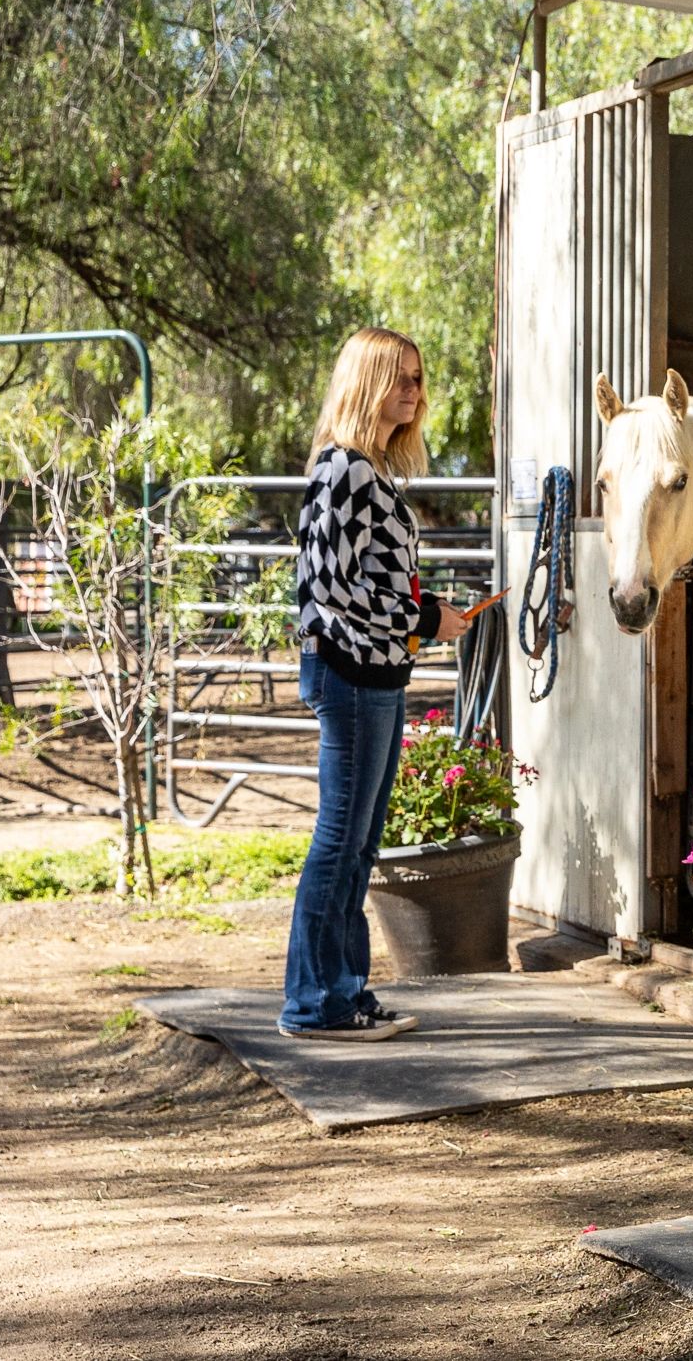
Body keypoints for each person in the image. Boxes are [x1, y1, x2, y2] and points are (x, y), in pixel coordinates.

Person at [278, 327, 471, 1039]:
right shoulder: (346, 469)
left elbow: (369, 579)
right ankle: (311, 1002)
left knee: (359, 844)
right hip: (351, 672)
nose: (414, 392)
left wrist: (422, 618)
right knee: (339, 839)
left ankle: (345, 991)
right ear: (366, 384)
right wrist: (423, 614)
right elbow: (329, 584)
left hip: (379, 669)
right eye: (400, 379)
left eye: (418, 378)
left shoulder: (376, 470)